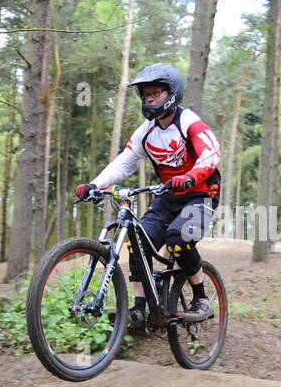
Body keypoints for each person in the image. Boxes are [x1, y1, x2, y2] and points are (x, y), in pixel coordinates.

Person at [75, 63, 221, 329]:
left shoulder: (188, 121)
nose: (151, 99)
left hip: (200, 193)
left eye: (157, 93)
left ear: (172, 93)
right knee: (137, 242)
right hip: (168, 195)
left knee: (178, 239)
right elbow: (125, 162)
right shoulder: (147, 131)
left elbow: (211, 153)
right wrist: (94, 184)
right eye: (146, 94)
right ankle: (139, 309)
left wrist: (191, 176)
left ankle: (201, 297)